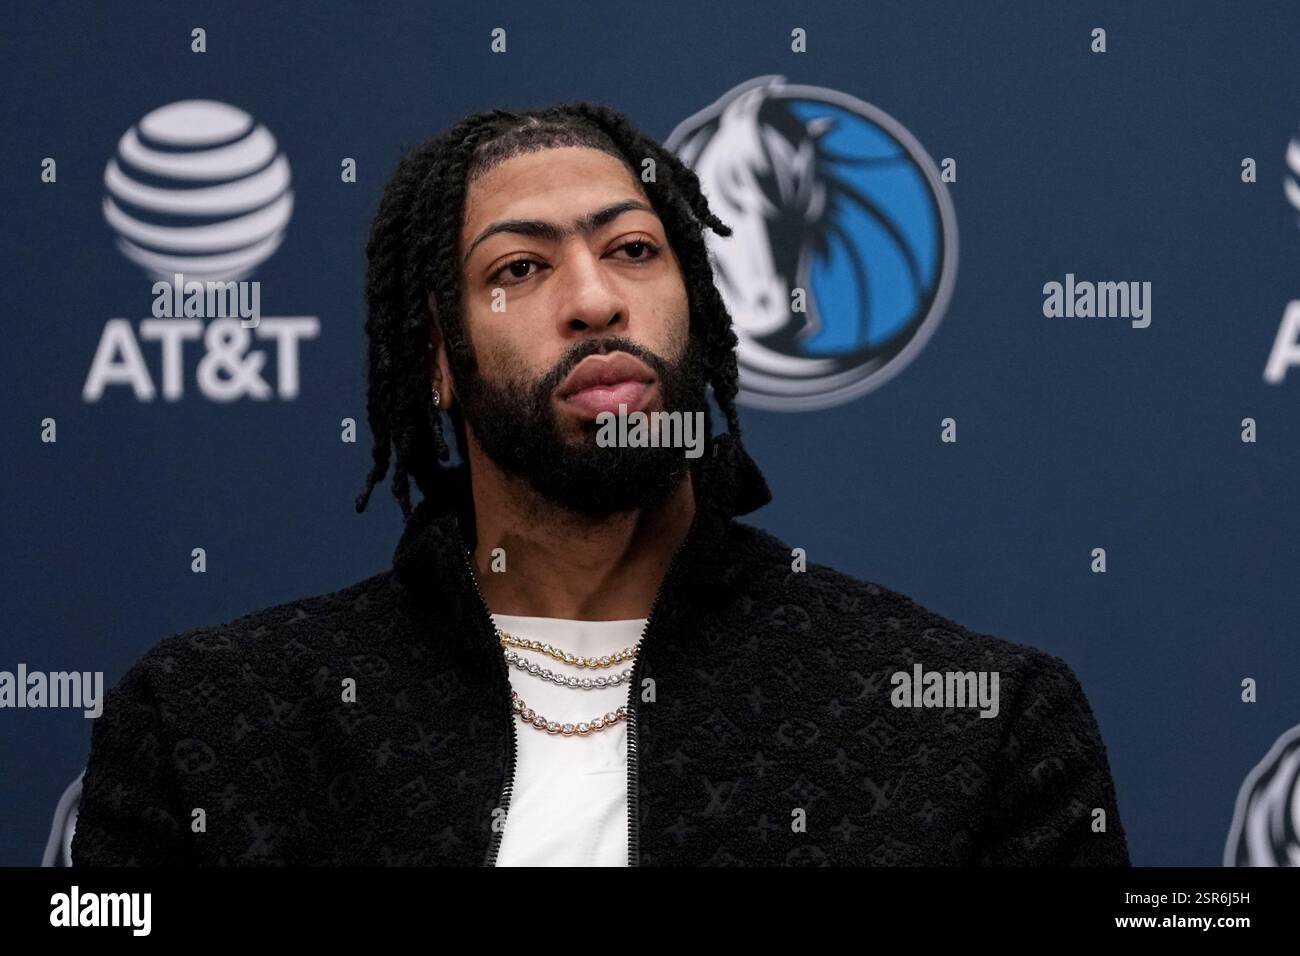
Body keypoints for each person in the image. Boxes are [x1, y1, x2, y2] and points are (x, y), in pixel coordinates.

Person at [71, 102, 1130, 866]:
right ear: (438, 357)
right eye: (518, 268)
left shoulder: (974, 723)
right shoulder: (211, 721)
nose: (592, 299)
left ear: (699, 315)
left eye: (633, 249)